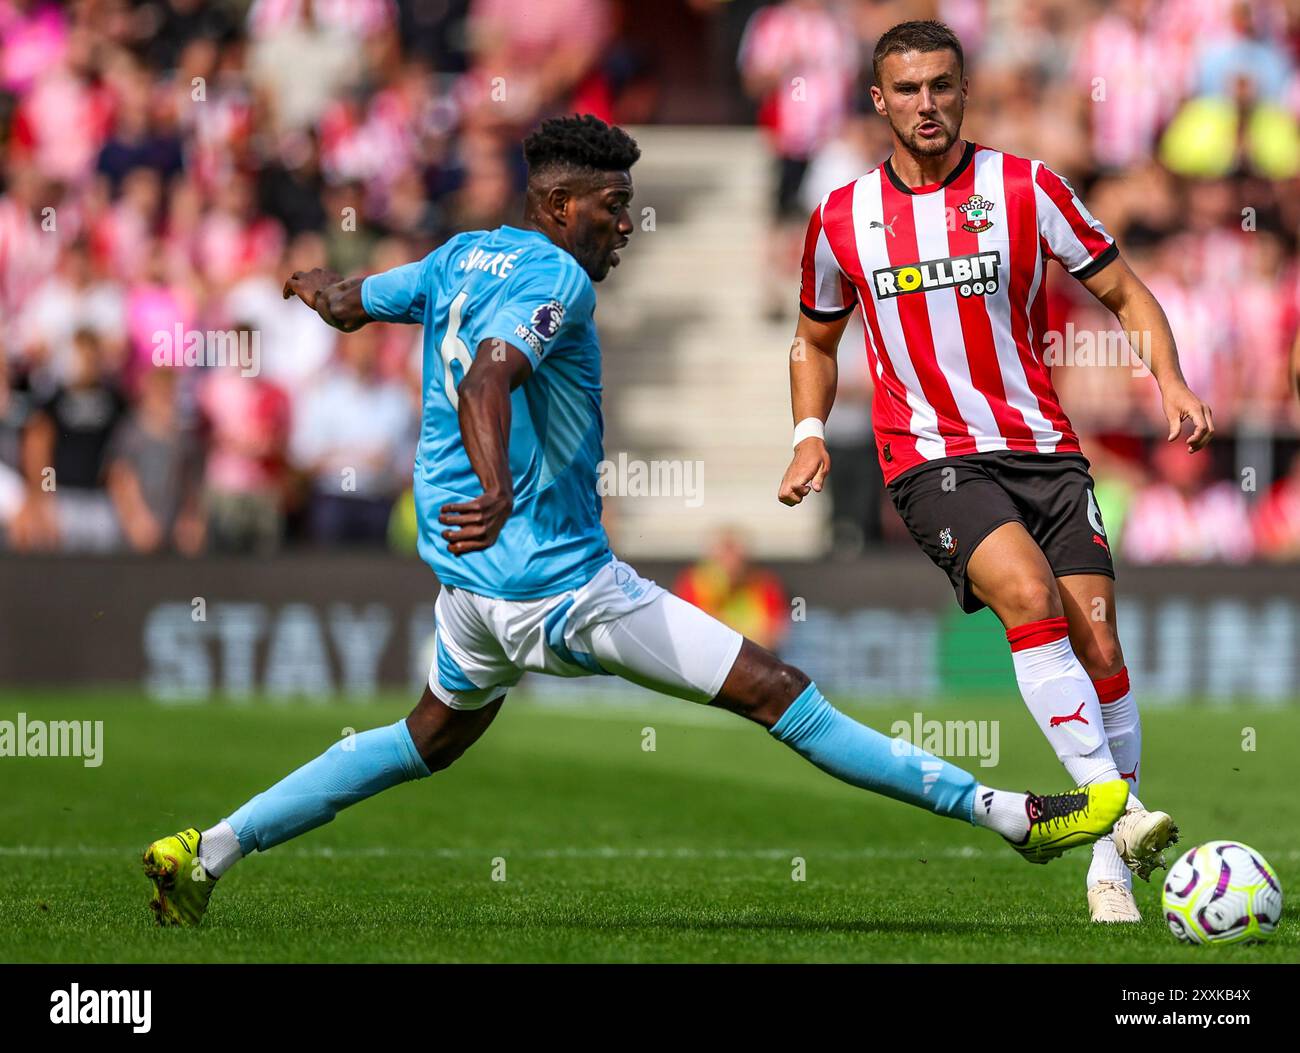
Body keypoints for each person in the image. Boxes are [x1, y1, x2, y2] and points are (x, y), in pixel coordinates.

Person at [142, 115, 1128, 927]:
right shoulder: (553, 280)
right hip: (558, 586)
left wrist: (315, 289)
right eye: (613, 209)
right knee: (779, 692)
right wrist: (493, 485)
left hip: (469, 593)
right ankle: (1009, 815)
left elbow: (359, 299)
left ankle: (207, 849)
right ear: (559, 208)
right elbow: (492, 377)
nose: (625, 226)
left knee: (426, 739)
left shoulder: (460, 256)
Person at [778, 21, 1214, 924]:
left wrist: (1168, 378)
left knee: (1101, 647)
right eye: (907, 89)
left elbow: (1125, 289)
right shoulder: (841, 218)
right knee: (1028, 593)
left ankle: (1107, 865)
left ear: (965, 89)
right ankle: (1125, 813)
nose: (926, 104)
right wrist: (810, 429)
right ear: (878, 99)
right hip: (931, 455)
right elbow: (814, 339)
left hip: (1045, 450)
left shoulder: (1026, 186)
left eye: (941, 85)